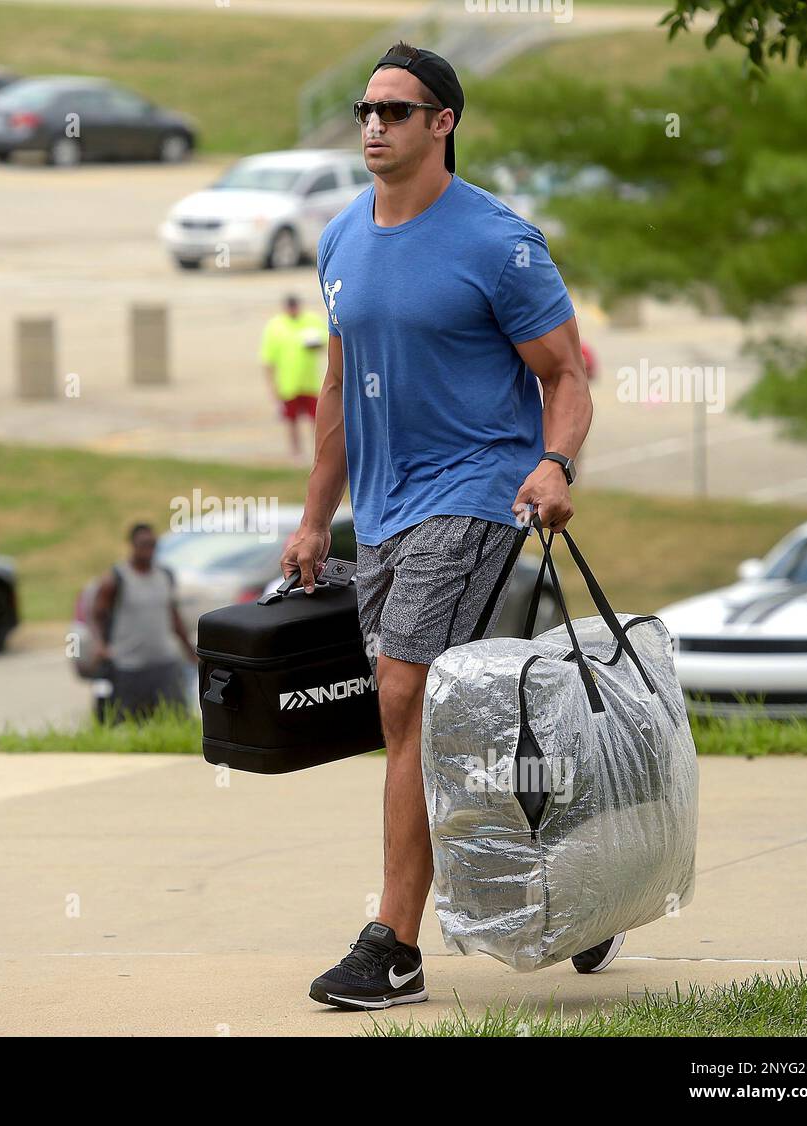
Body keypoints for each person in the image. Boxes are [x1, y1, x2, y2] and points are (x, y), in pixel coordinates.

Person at [282, 42, 613, 1012]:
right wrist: (315, 519)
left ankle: (392, 943)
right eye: (365, 109)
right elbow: (337, 391)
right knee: (443, 723)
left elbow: (564, 376)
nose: (374, 124)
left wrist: (554, 463)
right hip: (380, 511)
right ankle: (579, 888)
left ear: (443, 123)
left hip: (473, 493)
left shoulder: (496, 243)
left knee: (404, 697)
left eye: (396, 109)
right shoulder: (341, 238)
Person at [90, 523, 197, 722]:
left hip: (164, 663)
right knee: (128, 721)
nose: (149, 549)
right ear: (132, 545)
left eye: (153, 544)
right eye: (143, 544)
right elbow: (96, 615)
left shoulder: (164, 576)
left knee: (176, 718)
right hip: (129, 666)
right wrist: (100, 645)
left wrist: (189, 650)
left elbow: (173, 616)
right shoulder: (116, 579)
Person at [260, 294, 328, 457]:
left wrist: (317, 345)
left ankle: (317, 452)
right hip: (288, 383)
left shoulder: (312, 320)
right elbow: (268, 359)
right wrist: (272, 387)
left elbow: (326, 342)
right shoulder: (275, 326)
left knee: (316, 420)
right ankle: (295, 452)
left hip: (311, 382)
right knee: (291, 421)